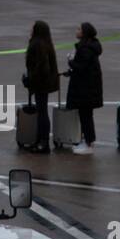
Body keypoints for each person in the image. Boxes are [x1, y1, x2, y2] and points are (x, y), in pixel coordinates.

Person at [64, 22, 103, 153]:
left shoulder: (85, 49)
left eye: (79, 29)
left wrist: (70, 61)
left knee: (85, 115)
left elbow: (81, 67)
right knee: (86, 115)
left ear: (84, 33)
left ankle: (89, 143)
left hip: (86, 89)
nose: (77, 30)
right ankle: (87, 141)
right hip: (89, 88)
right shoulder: (90, 47)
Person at [24, 21, 59, 153]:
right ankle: (41, 141)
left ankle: (43, 142)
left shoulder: (38, 45)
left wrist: (31, 79)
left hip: (41, 83)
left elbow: (41, 67)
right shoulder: (45, 43)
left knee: (42, 112)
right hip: (44, 83)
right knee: (41, 111)